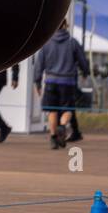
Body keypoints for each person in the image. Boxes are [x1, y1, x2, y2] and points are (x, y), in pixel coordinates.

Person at [33, 19, 91, 149]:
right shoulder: (72, 42)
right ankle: (62, 126)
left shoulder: (46, 43)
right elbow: (83, 61)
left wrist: (37, 82)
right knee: (68, 109)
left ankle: (53, 138)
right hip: (67, 82)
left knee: (52, 111)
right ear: (65, 25)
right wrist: (86, 72)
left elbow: (39, 64)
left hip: (50, 82)